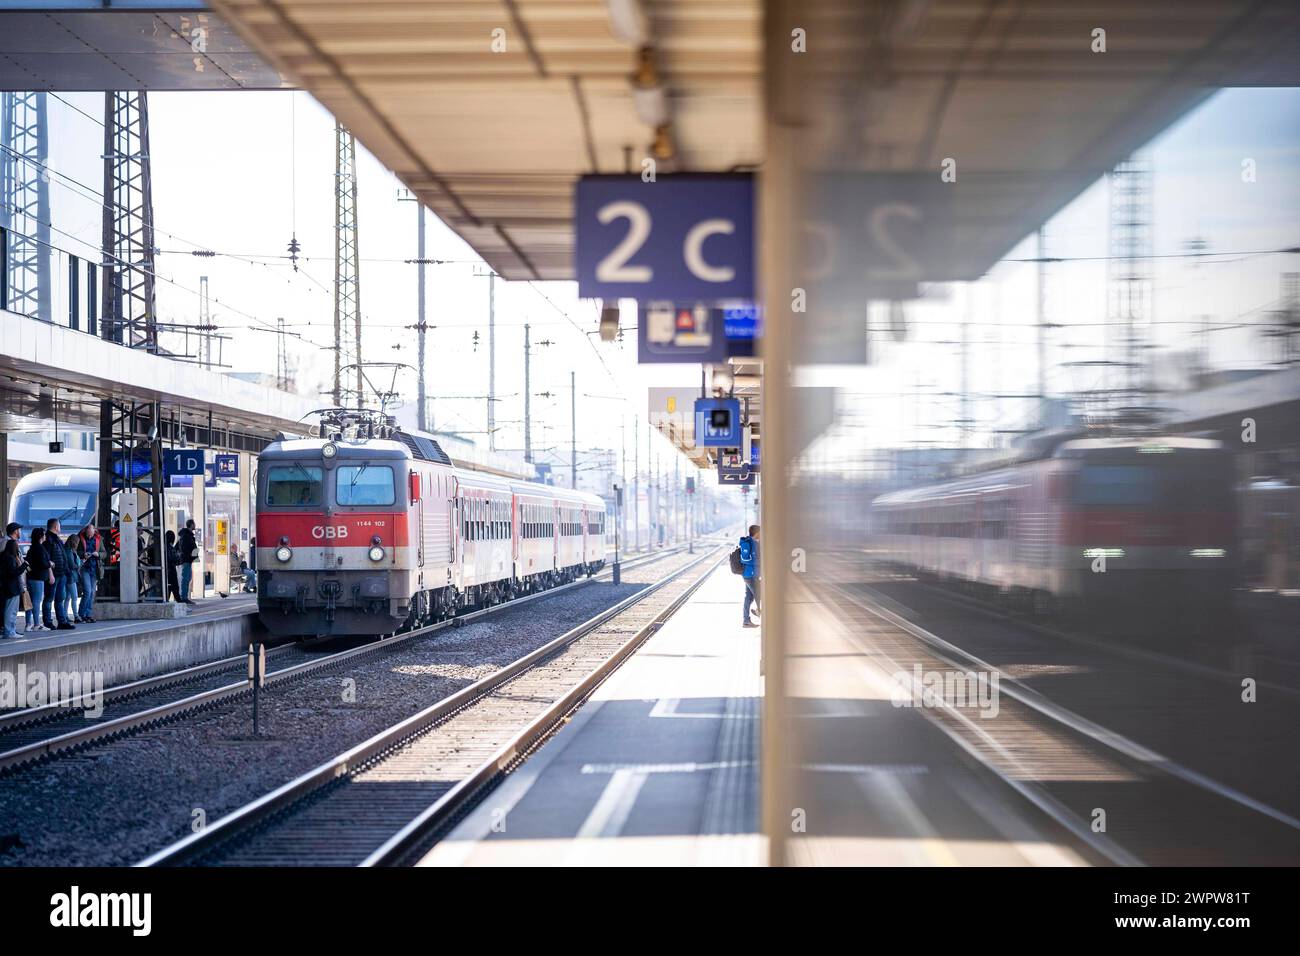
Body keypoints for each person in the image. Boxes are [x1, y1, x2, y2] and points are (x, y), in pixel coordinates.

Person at [43, 519, 74, 630]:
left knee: (60, 598)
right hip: (53, 575)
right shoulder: (48, 540)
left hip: (61, 574)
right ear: (56, 526)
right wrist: (50, 573)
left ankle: (62, 621)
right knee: (49, 598)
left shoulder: (57, 540)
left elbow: (63, 556)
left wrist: (67, 572)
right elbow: (47, 559)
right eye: (59, 525)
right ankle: (47, 622)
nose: (60, 527)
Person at [1, 538, 28, 639]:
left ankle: (9, 630)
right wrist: (24, 565)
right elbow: (14, 573)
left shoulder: (3, 556)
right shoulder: (11, 558)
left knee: (8, 609)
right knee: (11, 611)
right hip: (13, 587)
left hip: (6, 587)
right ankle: (10, 631)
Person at [24, 528, 50, 632]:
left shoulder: (31, 549)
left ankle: (28, 624)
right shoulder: (40, 548)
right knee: (36, 601)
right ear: (40, 536)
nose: (45, 536)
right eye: (44, 535)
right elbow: (43, 563)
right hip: (38, 578)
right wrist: (50, 564)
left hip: (30, 577)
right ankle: (37, 624)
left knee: (29, 602)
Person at [78, 524, 102, 623]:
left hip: (94, 568)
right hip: (84, 568)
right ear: (85, 532)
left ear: (94, 532)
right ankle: (81, 614)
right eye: (88, 534)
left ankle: (88, 614)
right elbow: (76, 551)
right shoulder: (80, 538)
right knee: (87, 591)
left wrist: (98, 554)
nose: (89, 536)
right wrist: (83, 554)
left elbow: (104, 553)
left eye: (91, 534)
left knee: (92, 593)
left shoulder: (98, 539)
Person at [739, 524, 761, 628]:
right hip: (749, 575)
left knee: (749, 597)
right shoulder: (747, 543)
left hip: (753, 574)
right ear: (756, 533)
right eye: (760, 532)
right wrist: (758, 561)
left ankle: (746, 621)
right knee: (759, 594)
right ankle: (759, 612)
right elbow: (745, 559)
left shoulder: (756, 543)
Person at [177, 520, 199, 604]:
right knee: (185, 578)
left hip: (188, 560)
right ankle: (184, 598)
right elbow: (186, 548)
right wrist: (191, 555)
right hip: (186, 560)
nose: (195, 525)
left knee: (188, 578)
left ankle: (184, 597)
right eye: (194, 524)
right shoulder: (186, 536)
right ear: (191, 525)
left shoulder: (187, 535)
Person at [64, 533, 83, 623]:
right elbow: (72, 565)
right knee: (74, 597)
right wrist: (79, 564)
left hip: (70, 576)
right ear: (74, 542)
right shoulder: (69, 551)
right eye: (77, 542)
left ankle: (65, 616)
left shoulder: (70, 550)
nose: (78, 544)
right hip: (71, 577)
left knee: (67, 597)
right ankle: (76, 616)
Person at [164, 530, 183, 603]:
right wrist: (179, 556)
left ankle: (167, 602)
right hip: (171, 570)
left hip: (167, 571)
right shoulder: (169, 547)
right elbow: (173, 559)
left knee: (169, 588)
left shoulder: (164, 546)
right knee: (175, 588)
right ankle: (179, 603)